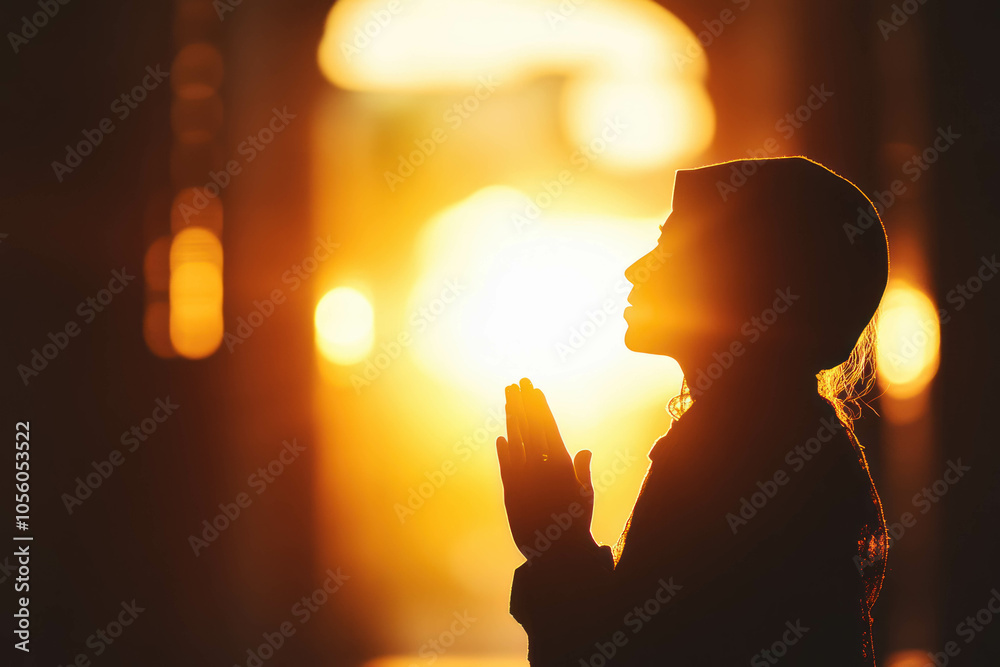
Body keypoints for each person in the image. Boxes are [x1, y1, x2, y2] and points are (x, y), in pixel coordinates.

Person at [495, 157, 890, 666]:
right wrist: (559, 545)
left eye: (669, 246)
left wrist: (559, 553)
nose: (635, 269)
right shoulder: (776, 437)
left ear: (743, 277)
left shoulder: (738, 452)